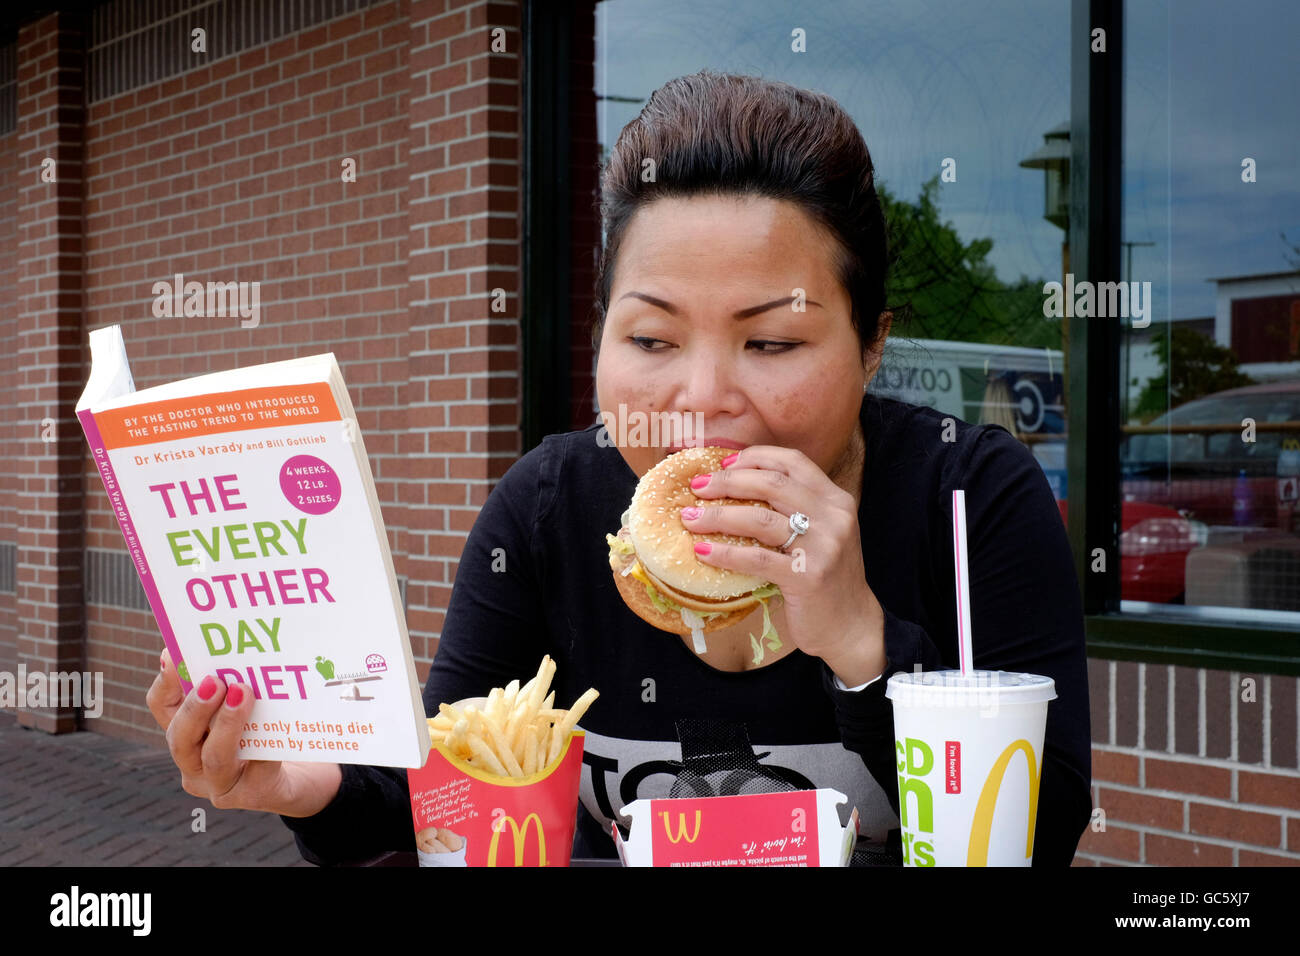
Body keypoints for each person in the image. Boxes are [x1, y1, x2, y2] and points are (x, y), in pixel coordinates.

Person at [148, 69, 1092, 865]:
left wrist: (862, 646)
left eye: (770, 342)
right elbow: (442, 802)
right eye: (651, 335)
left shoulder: (969, 502)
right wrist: (311, 786)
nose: (702, 398)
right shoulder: (548, 510)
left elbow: (1039, 839)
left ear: (871, 345)